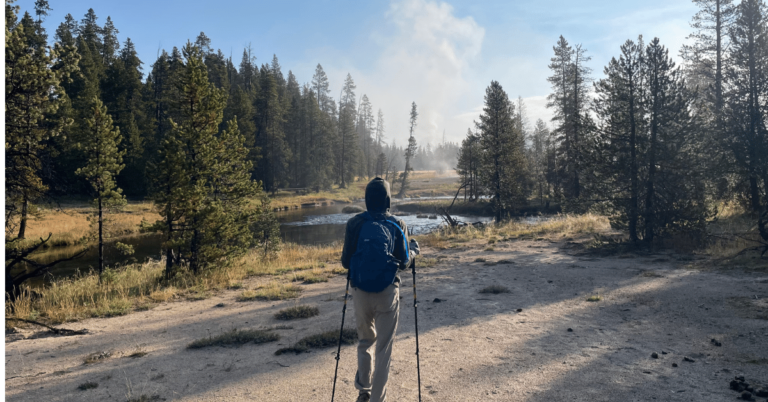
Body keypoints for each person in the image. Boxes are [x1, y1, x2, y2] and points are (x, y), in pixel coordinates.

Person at [341, 177, 420, 402]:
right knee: (384, 349)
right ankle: (377, 399)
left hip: (360, 292)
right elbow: (404, 262)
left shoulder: (354, 224)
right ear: (387, 198)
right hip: (387, 293)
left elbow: (346, 262)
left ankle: (364, 391)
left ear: (367, 199)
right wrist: (414, 250)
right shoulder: (397, 224)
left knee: (365, 341)